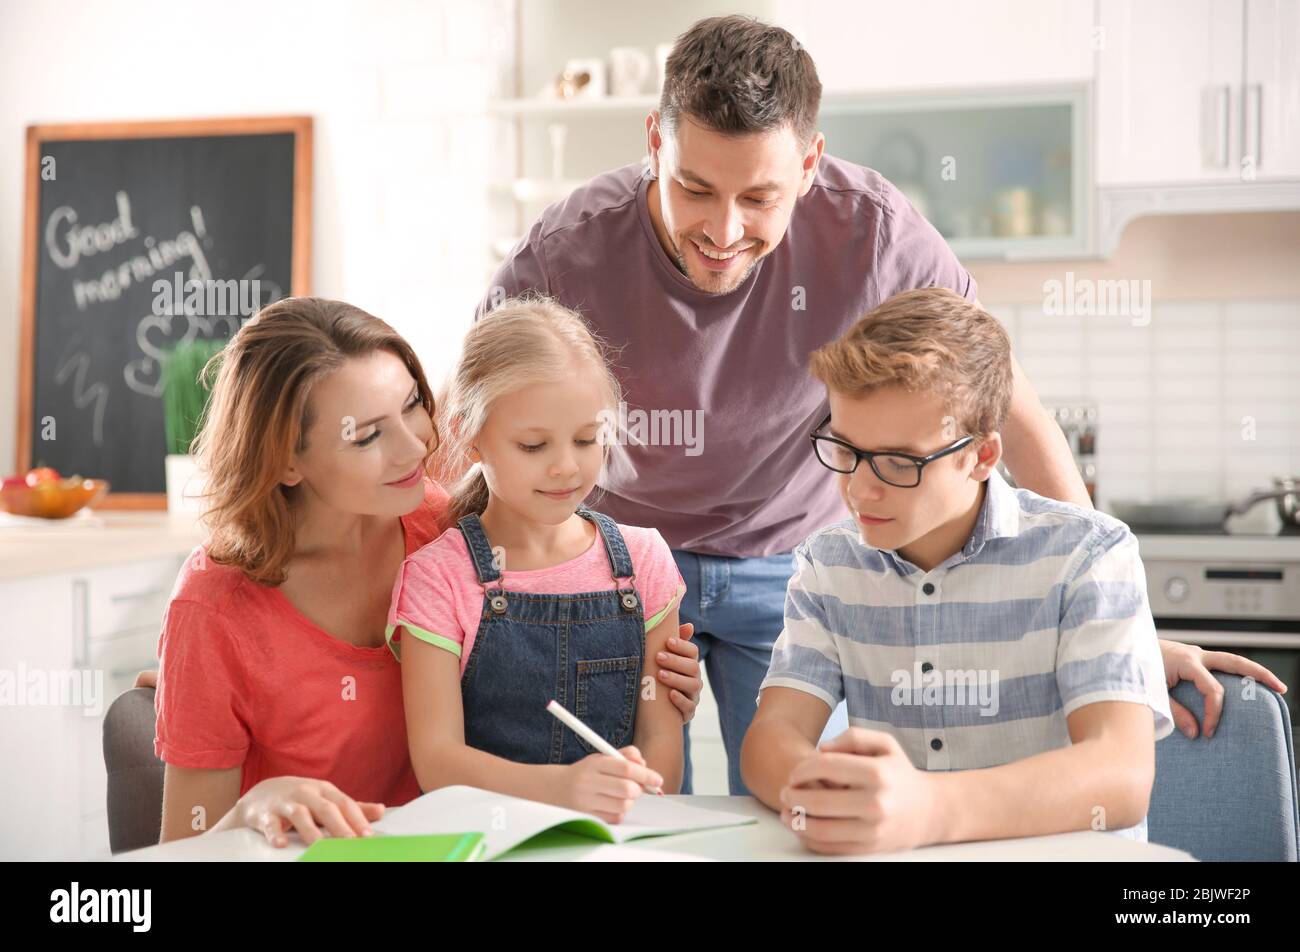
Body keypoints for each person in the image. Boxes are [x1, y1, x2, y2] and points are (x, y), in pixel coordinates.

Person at [479, 15, 1283, 793]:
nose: (724, 231)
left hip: (787, 563)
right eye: (694, 187)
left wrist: (1122, 628)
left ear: (811, 163)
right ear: (656, 141)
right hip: (620, 561)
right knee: (619, 809)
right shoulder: (566, 250)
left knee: (805, 801)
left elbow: (1004, 398)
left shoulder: (874, 235)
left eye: (760, 197)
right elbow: (479, 421)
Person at [152, 297, 703, 847]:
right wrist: (254, 803)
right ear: (284, 460)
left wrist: (647, 675)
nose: (416, 445)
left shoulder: (440, 524)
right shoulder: (213, 609)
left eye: (413, 404)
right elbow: (183, 848)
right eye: (367, 435)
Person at [743, 288, 1172, 853]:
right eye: (846, 449)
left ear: (982, 456)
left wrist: (930, 809)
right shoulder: (830, 564)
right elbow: (773, 738)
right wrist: (822, 791)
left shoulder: (1090, 555)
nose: (859, 488)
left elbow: (1119, 777)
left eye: (900, 462)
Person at [392, 296, 687, 822]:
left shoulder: (645, 560)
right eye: (533, 446)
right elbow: (437, 762)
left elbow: (661, 738)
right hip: (485, 840)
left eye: (586, 439)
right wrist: (563, 789)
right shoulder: (438, 577)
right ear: (470, 436)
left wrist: (633, 793)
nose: (565, 468)